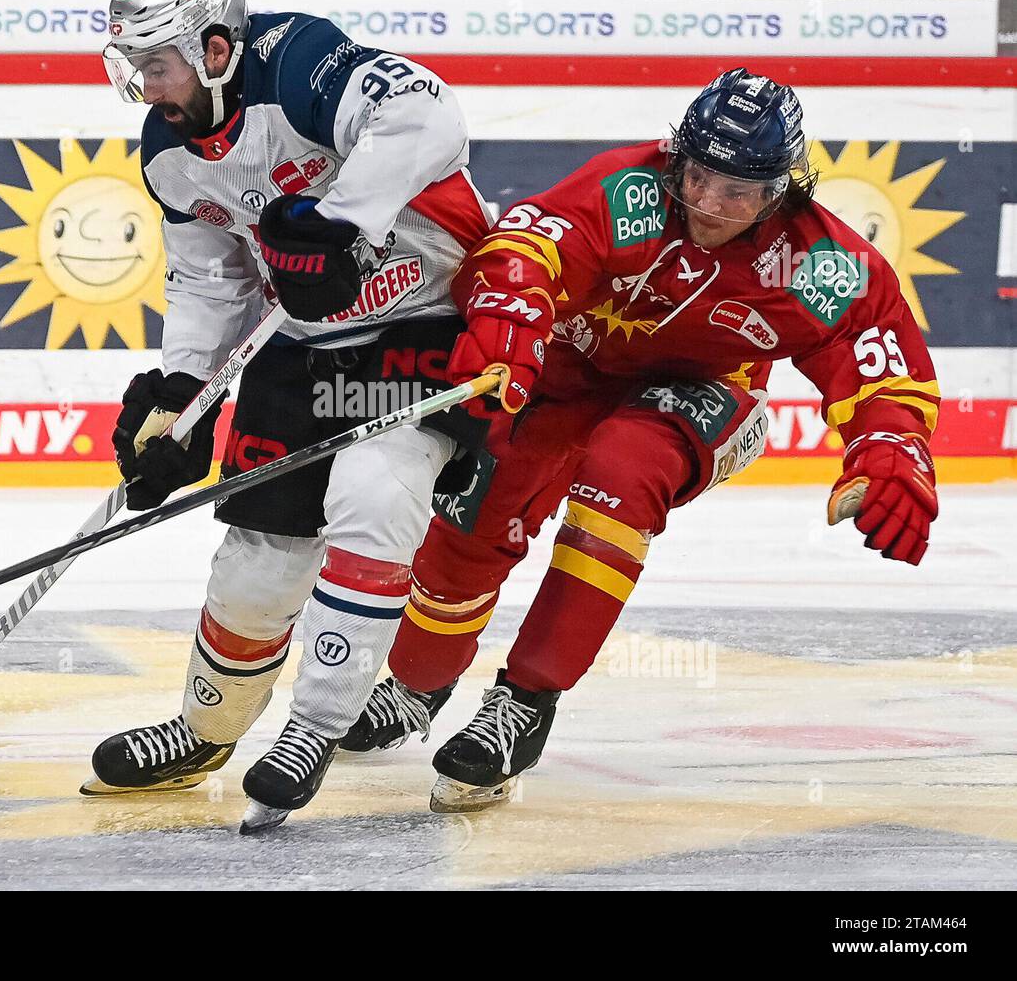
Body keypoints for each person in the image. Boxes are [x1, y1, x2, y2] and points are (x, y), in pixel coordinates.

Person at [342, 69, 941, 813]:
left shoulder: (817, 261)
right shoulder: (628, 188)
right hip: (571, 368)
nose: (708, 205)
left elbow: (881, 361)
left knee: (623, 469)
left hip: (711, 394)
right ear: (678, 155)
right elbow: (528, 244)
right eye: (698, 176)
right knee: (483, 501)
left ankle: (525, 702)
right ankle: (416, 682)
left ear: (781, 192)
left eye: (739, 193)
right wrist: (510, 313)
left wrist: (889, 448)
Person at [85, 0, 495, 833]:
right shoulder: (170, 150)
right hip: (302, 341)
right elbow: (210, 284)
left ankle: (314, 725)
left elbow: (430, 116)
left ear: (219, 47)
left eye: (155, 64)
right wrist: (181, 394)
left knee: (372, 496)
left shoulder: (302, 60)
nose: (144, 86)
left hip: (421, 323)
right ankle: (204, 731)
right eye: (135, 67)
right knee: (257, 560)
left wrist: (343, 223)